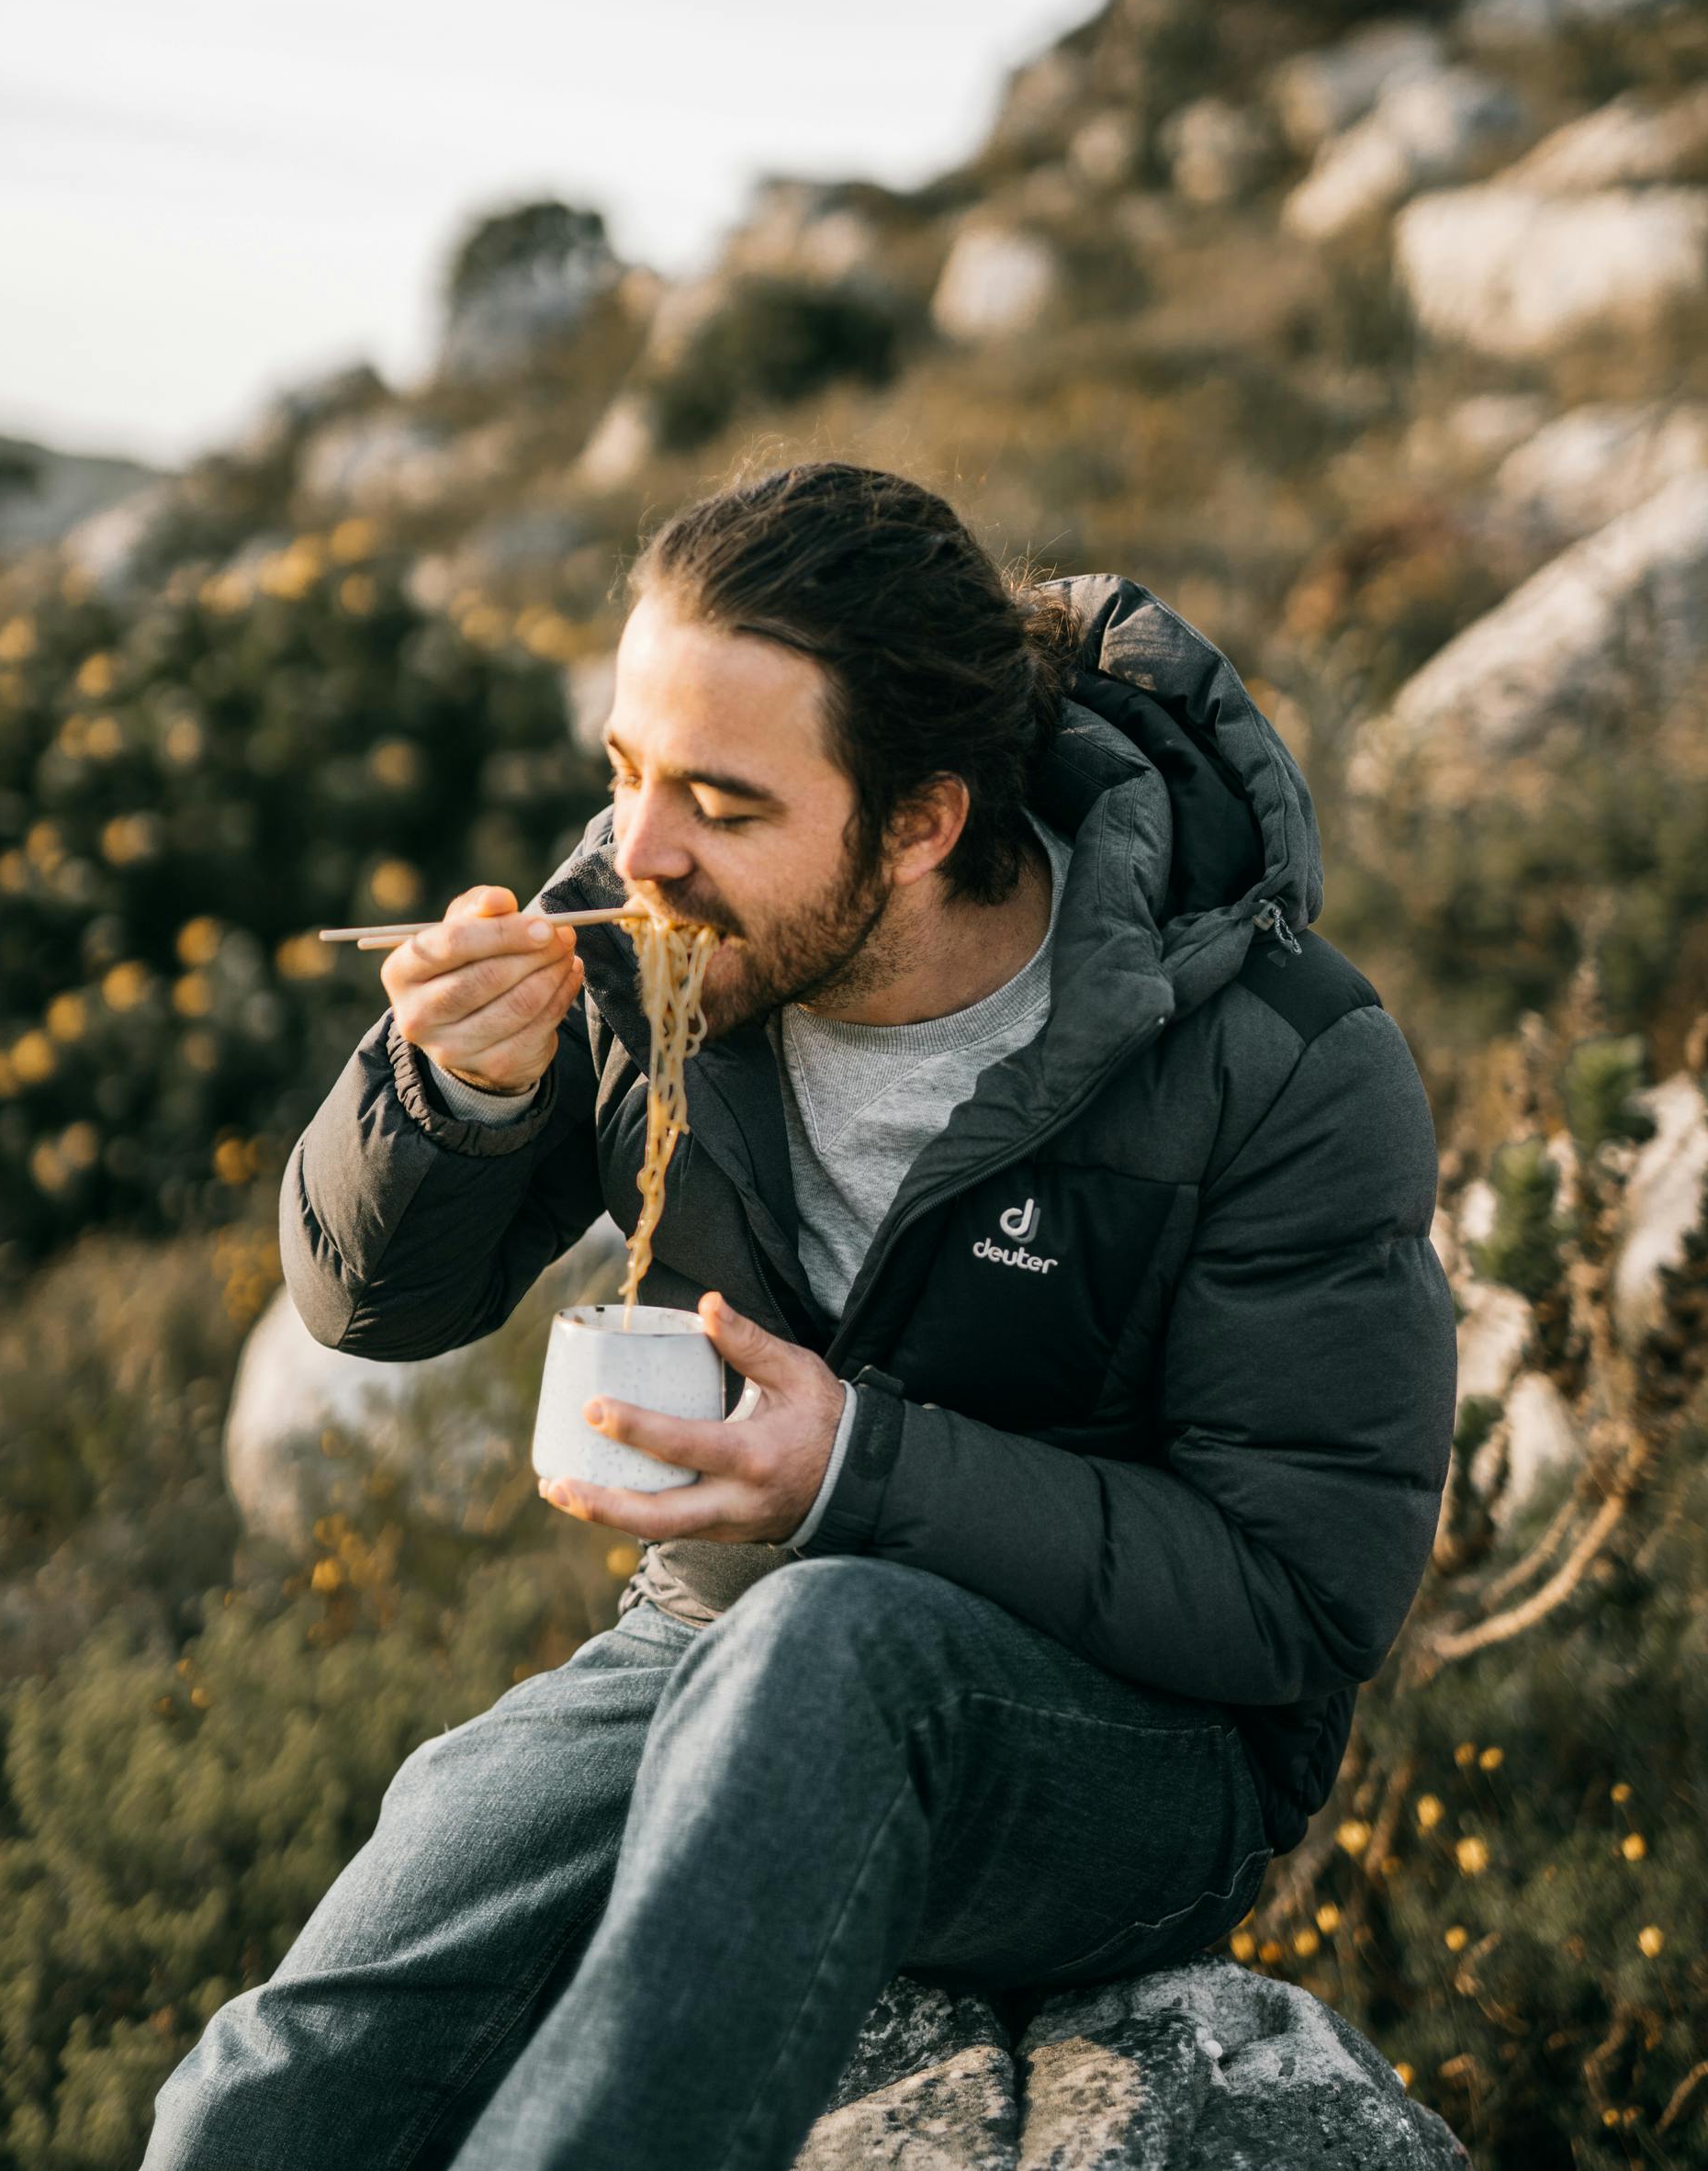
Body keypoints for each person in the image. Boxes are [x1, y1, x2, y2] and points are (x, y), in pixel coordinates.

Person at [144, 461, 1456, 2171]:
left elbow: (1300, 1599)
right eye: (624, 771)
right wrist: (452, 1094)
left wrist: (859, 1470)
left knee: (828, 1648)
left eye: (722, 801)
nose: (641, 852)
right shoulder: (639, 942)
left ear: (921, 820)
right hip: (710, 1635)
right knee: (278, 2087)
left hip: (1136, 1751)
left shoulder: (1273, 1056)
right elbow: (367, 1306)